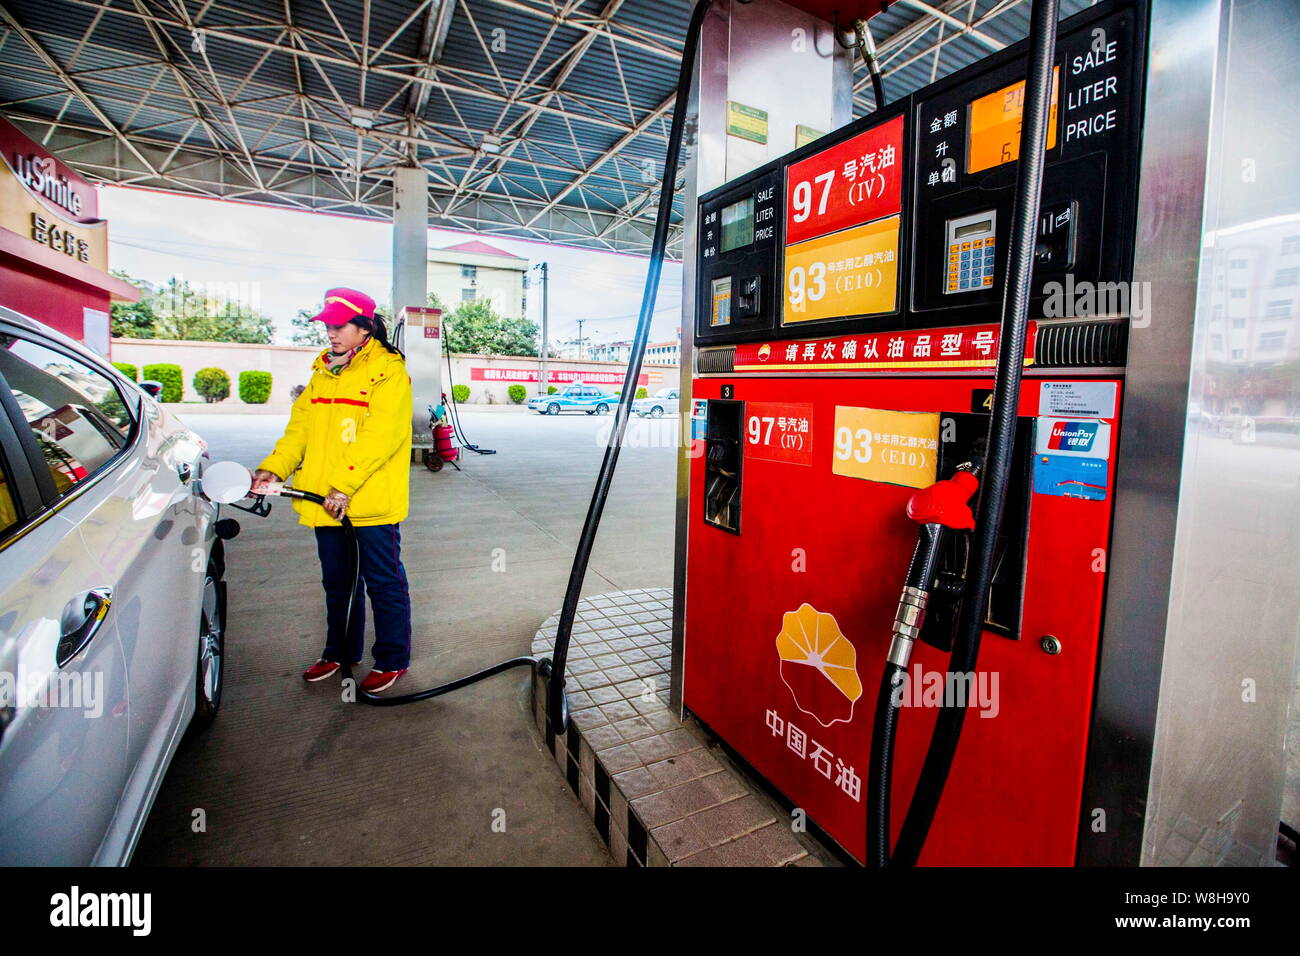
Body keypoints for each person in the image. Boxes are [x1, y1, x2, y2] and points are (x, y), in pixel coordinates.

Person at [252, 288, 414, 693]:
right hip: (324, 500)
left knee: (382, 580)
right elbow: (300, 431)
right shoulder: (323, 371)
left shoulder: (387, 371)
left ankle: (392, 658)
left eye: (339, 325)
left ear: (365, 328)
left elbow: (383, 436)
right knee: (338, 582)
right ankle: (339, 651)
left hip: (368, 501)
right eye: (327, 325)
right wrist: (274, 469)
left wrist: (343, 485)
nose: (331, 333)